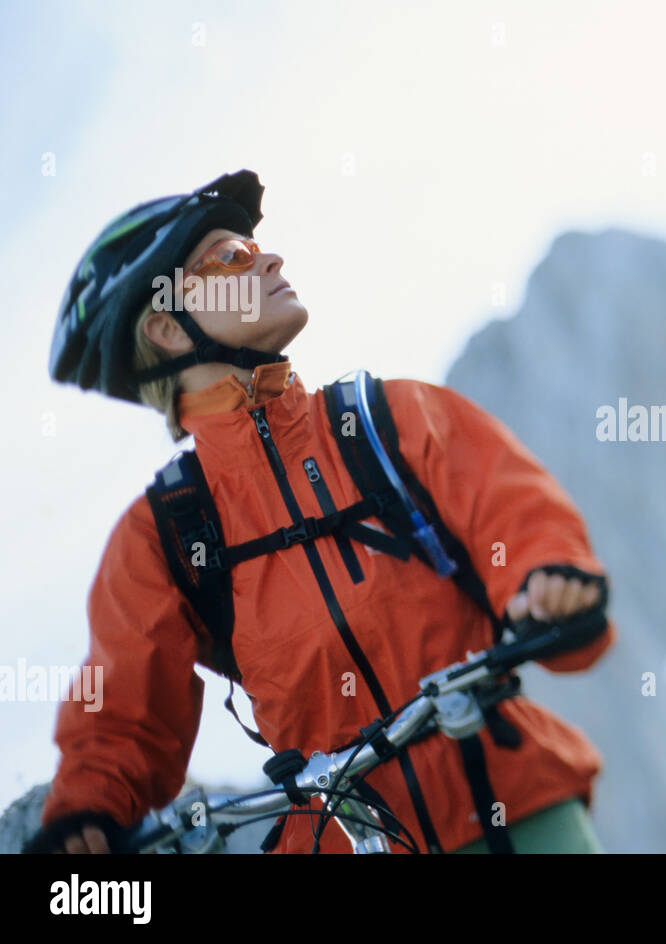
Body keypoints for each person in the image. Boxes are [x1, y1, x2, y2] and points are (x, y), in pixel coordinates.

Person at [24, 169, 616, 854]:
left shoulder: (383, 420)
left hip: (514, 804)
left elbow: (512, 512)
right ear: (167, 327)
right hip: (340, 835)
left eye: (256, 247)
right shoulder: (164, 532)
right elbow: (123, 711)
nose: (269, 257)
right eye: (230, 257)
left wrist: (546, 578)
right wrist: (86, 814)